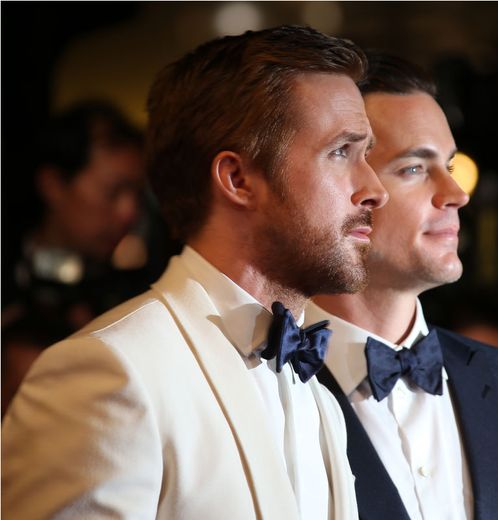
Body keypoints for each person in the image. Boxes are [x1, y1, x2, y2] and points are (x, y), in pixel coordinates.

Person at [2, 25, 388, 519]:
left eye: (366, 155)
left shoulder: (319, 394)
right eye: (340, 152)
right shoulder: (108, 372)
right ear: (237, 179)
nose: (375, 189)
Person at [306, 52, 498, 520]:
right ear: (340, 188)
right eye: (414, 168)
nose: (457, 194)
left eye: (449, 164)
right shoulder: (274, 384)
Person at [1, 102, 147, 414]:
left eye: (137, 194)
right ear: (53, 184)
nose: (129, 212)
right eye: (113, 192)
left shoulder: (134, 292)